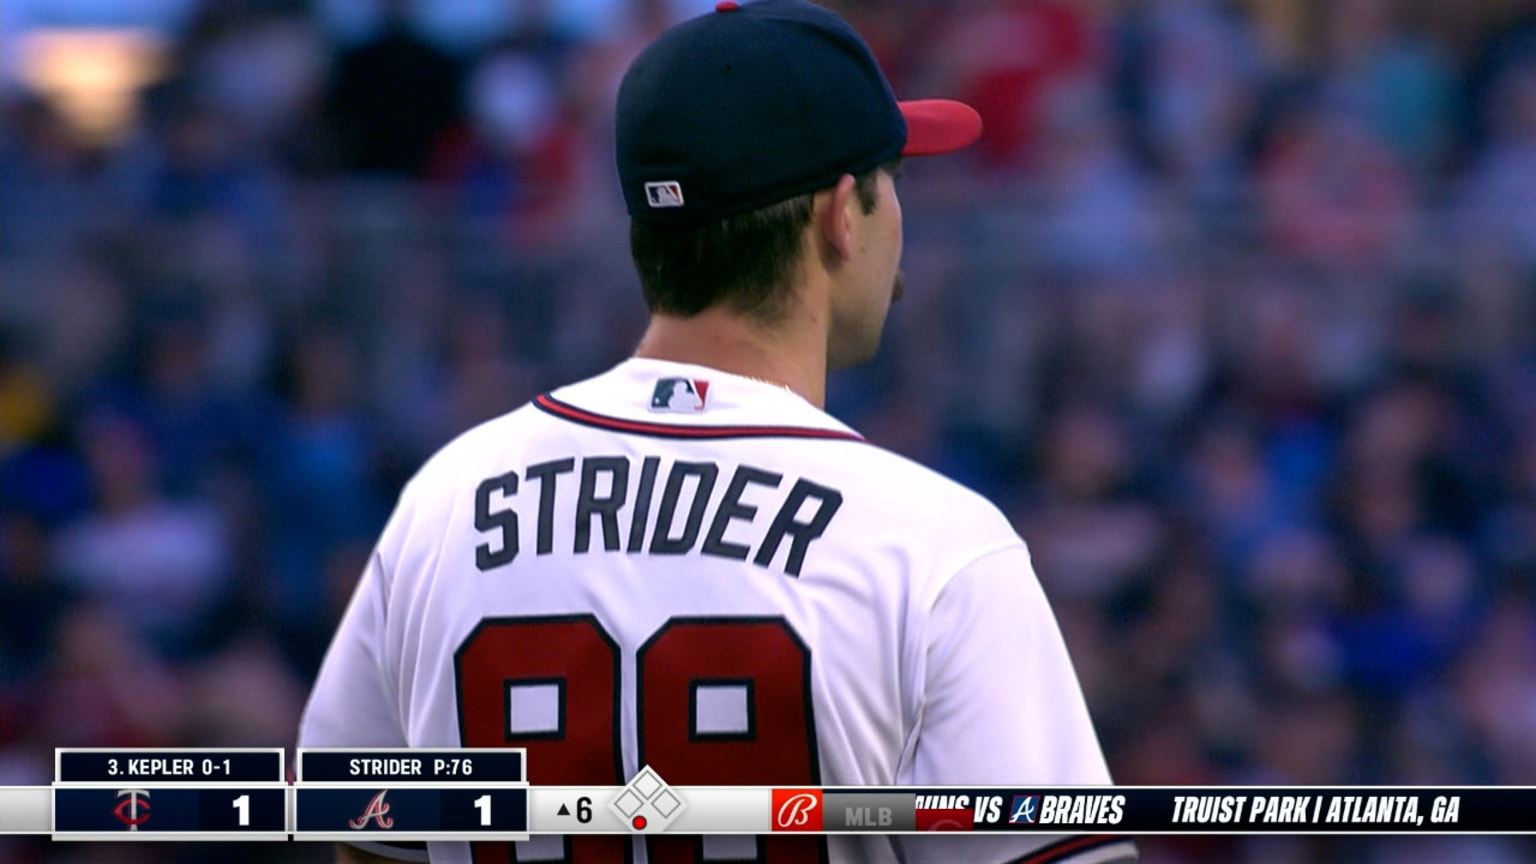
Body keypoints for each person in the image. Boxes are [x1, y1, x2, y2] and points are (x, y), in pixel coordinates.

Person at [300, 2, 1135, 862]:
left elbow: (361, 836)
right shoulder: (934, 547)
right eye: (894, 179)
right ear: (842, 215)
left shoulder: (445, 507)